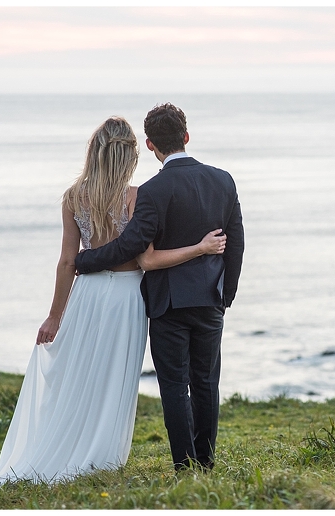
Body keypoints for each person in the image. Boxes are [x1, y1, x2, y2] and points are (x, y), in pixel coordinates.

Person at [0, 116, 226, 489]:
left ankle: (69, 446)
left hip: (87, 296)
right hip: (128, 299)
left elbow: (66, 262)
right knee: (114, 379)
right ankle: (101, 453)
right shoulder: (138, 196)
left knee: (80, 373)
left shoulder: (74, 197)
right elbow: (145, 259)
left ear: (93, 152)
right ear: (132, 156)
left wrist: (54, 316)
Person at [75, 103, 244, 471]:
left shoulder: (153, 190)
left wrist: (83, 261)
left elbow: (130, 245)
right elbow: (237, 242)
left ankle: (184, 466)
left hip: (168, 304)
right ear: (186, 136)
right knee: (206, 382)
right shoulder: (223, 180)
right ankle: (206, 462)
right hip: (211, 301)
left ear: (151, 145)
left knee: (174, 386)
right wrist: (225, 295)